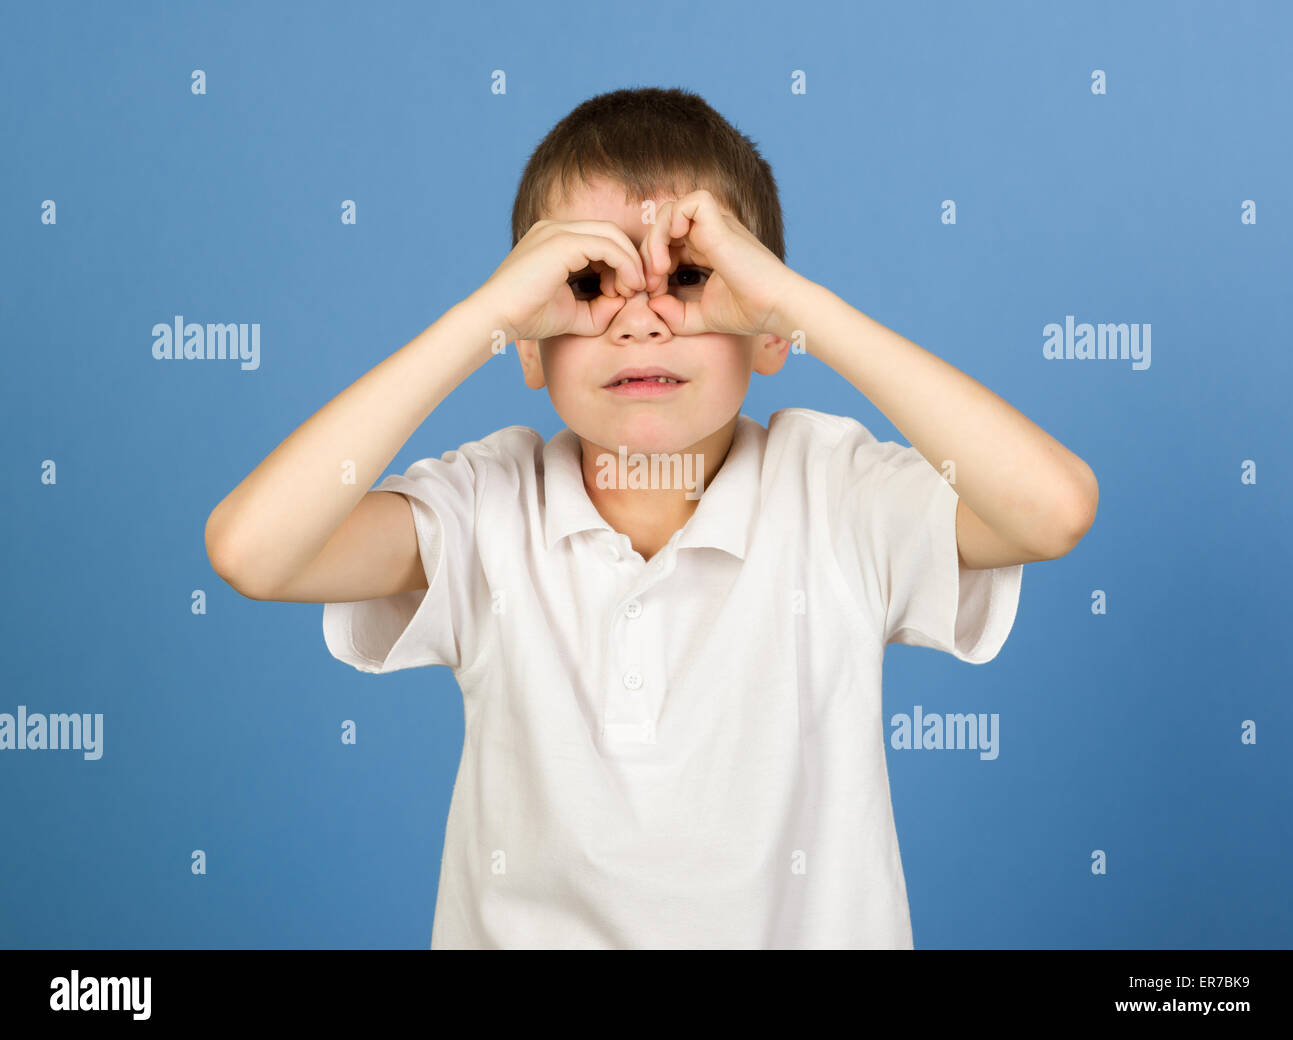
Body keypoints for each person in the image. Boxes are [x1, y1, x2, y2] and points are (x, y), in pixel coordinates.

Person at [204, 86, 1097, 949]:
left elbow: (1051, 510)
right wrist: (487, 316)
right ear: (528, 338)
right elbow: (254, 551)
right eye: (589, 282)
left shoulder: (836, 495)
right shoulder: (488, 506)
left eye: (695, 280)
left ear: (768, 323)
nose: (642, 323)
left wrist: (797, 305)